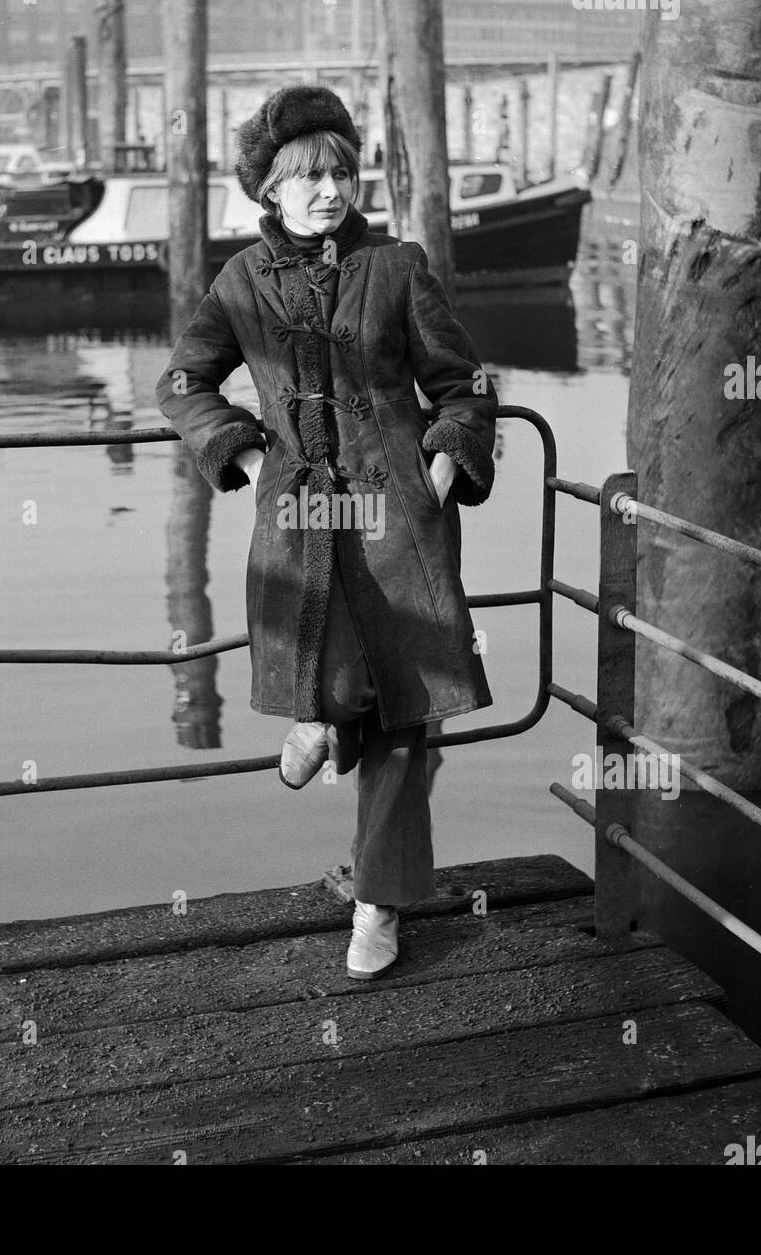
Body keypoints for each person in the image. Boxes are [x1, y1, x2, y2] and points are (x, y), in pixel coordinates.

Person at [156, 86, 497, 980]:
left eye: (341, 173)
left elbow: (462, 385)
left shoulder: (400, 267)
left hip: (399, 524)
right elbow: (182, 384)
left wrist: (447, 458)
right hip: (299, 518)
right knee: (344, 683)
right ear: (267, 190)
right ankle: (318, 716)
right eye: (306, 178)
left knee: (410, 714)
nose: (328, 192)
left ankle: (376, 908)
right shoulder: (239, 283)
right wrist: (229, 443)